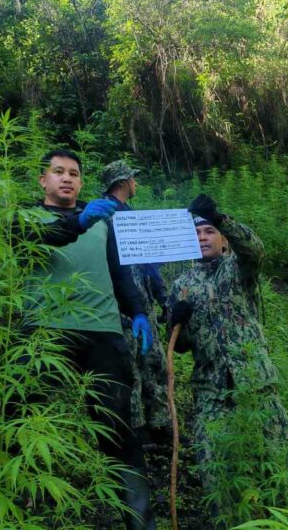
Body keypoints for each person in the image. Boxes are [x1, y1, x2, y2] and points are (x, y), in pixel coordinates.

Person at [15, 149, 156, 530]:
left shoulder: (102, 224)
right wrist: (79, 221)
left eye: (74, 174)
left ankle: (138, 521)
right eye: (57, 172)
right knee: (32, 424)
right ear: (42, 180)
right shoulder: (24, 218)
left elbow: (120, 272)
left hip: (103, 332)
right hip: (45, 330)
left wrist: (138, 311)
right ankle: (29, 513)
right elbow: (42, 237)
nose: (67, 178)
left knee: (118, 428)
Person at [166, 193, 288, 519]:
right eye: (196, 233)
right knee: (216, 472)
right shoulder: (181, 285)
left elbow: (256, 250)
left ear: (223, 240)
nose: (202, 238)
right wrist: (173, 323)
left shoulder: (238, 269)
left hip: (257, 385)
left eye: (209, 231)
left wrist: (220, 217)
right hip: (211, 393)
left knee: (279, 465)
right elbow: (179, 346)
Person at [101, 161, 171, 445]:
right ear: (122, 182)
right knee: (131, 365)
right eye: (133, 179)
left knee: (152, 362)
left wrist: (162, 297)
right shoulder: (104, 217)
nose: (136, 184)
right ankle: (137, 431)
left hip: (143, 304)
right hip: (122, 305)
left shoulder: (130, 216)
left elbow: (149, 264)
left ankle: (160, 425)